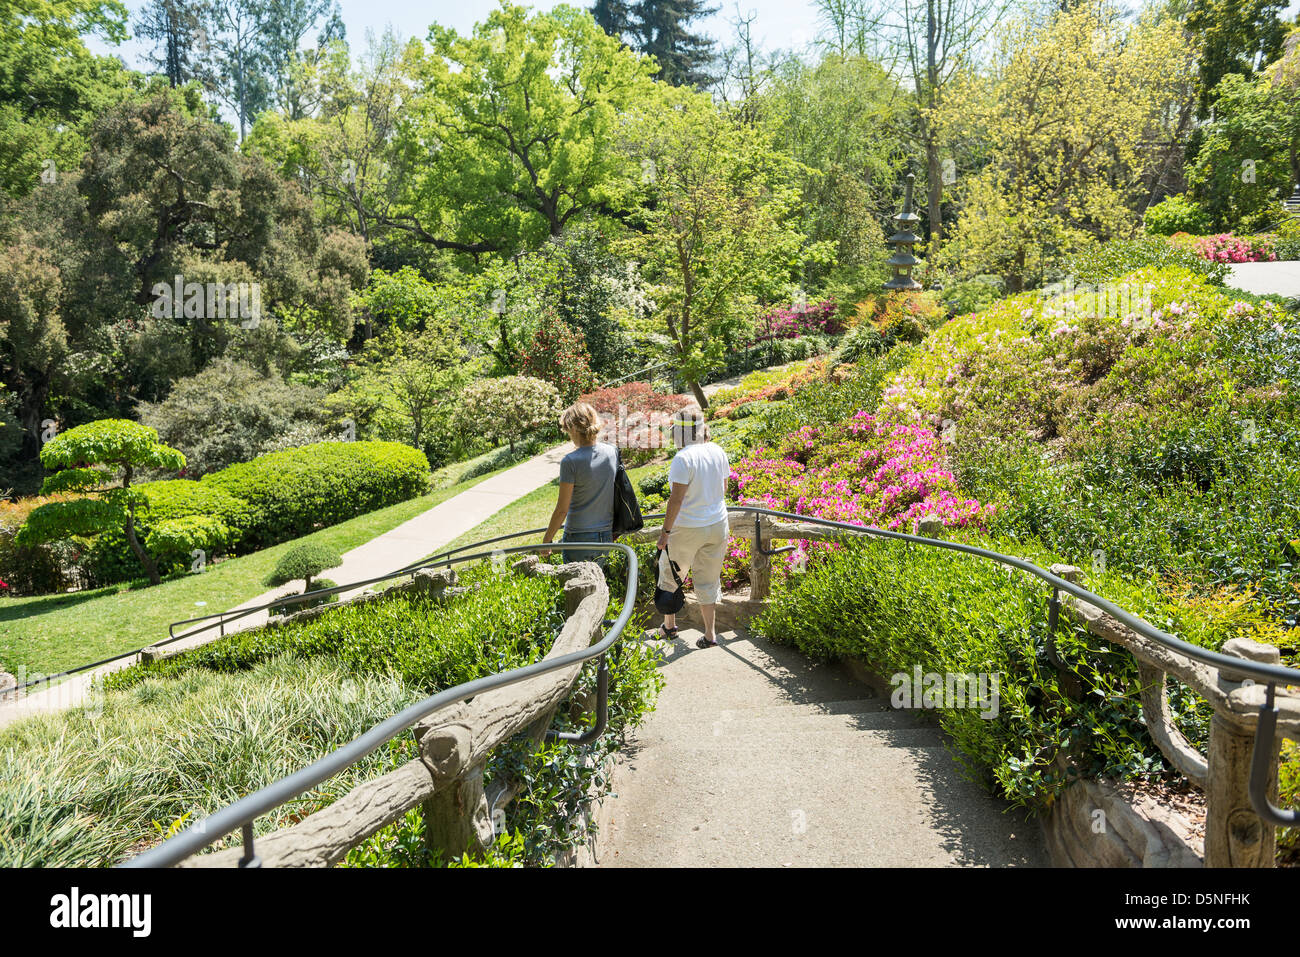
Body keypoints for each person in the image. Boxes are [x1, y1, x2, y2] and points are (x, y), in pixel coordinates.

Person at [656, 408, 730, 648]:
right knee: (708, 579)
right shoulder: (718, 451)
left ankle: (669, 626)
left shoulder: (683, 458)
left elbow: (675, 500)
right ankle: (710, 635)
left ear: (680, 432)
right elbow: (724, 488)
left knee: (670, 573)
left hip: (687, 527)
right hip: (718, 524)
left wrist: (665, 533)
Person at [542, 402, 617, 567]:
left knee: (576, 586)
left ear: (574, 429)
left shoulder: (570, 461)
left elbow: (562, 509)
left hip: (578, 538)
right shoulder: (612, 452)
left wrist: (547, 539)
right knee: (597, 585)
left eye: (567, 430)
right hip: (605, 535)